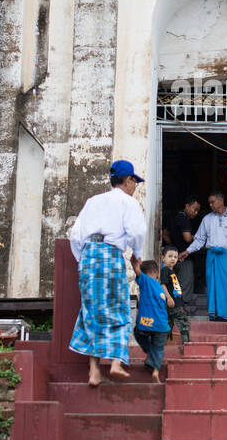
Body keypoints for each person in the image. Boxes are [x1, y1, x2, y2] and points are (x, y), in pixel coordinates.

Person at [68, 160, 148, 386]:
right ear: (129, 180)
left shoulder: (93, 201)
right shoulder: (127, 202)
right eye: (135, 181)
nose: (135, 186)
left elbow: (76, 235)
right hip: (110, 255)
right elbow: (137, 231)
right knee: (119, 306)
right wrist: (137, 253)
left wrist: (82, 259)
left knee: (90, 310)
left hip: (88, 255)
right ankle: (114, 363)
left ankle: (94, 371)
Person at [184, 191, 227, 321]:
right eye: (209, 203)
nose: (211, 205)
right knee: (212, 285)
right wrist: (188, 251)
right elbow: (200, 239)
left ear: (221, 201)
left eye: (213, 202)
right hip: (212, 256)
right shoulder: (207, 218)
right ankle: (215, 315)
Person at [134, 260, 172, 382]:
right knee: (159, 348)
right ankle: (155, 370)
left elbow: (136, 270)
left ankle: (151, 355)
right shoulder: (160, 288)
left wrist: (136, 260)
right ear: (157, 274)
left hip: (146, 323)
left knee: (137, 333)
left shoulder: (146, 281)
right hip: (161, 326)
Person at [170, 198, 200, 308]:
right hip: (183, 257)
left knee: (174, 283)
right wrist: (196, 238)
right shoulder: (185, 219)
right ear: (187, 206)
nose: (196, 213)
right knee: (185, 282)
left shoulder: (175, 217)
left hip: (172, 256)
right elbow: (187, 238)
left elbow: (165, 235)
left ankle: (175, 307)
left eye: (197, 211)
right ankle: (180, 309)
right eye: (194, 209)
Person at [160, 247, 191, 348]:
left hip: (176, 304)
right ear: (163, 258)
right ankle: (187, 345)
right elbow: (163, 285)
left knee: (168, 325)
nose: (173, 259)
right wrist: (168, 298)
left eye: (175, 257)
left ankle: (163, 345)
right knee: (184, 323)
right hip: (172, 304)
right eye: (170, 256)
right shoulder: (165, 270)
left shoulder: (172, 271)